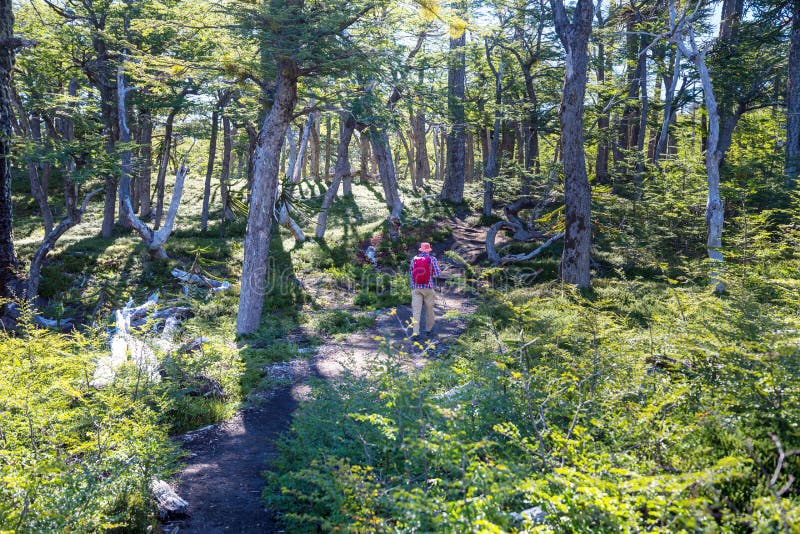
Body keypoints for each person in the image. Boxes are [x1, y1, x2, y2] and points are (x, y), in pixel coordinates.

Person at [409, 242, 441, 340]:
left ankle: (415, 333)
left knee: (416, 311)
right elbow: (437, 274)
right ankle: (429, 330)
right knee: (429, 310)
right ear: (428, 250)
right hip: (428, 288)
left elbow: (411, 273)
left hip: (416, 288)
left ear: (421, 250)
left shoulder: (414, 259)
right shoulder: (432, 259)